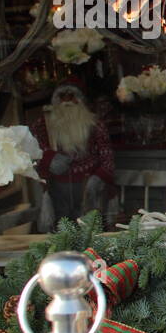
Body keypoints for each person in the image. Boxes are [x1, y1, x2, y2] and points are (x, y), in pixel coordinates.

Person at [31, 77, 115, 231]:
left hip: (88, 186)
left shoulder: (95, 124)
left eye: (72, 96)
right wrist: (49, 158)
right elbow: (31, 146)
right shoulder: (44, 124)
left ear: (81, 100)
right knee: (61, 228)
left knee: (90, 227)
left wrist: (98, 178)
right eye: (62, 96)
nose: (67, 101)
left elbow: (107, 157)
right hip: (57, 187)